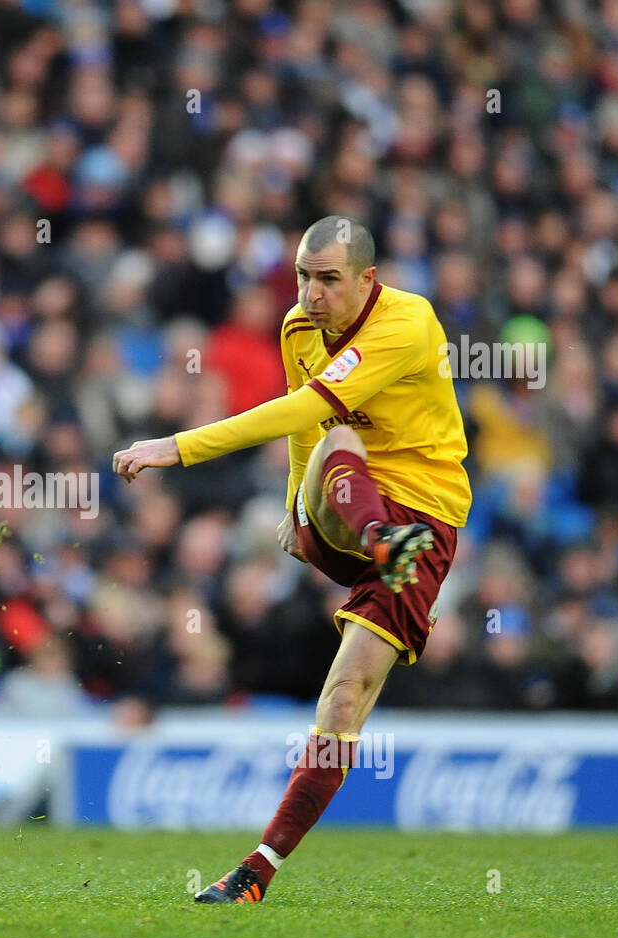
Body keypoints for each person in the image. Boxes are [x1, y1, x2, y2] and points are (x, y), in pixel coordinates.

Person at [112, 216, 471, 903]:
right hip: (352, 517)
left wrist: (177, 445)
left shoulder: (409, 321)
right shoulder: (297, 329)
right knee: (337, 436)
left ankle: (258, 869)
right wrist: (294, 507)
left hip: (424, 521)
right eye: (304, 276)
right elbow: (310, 430)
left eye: (329, 280)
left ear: (368, 279)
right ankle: (377, 541)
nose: (311, 293)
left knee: (343, 703)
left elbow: (305, 406)